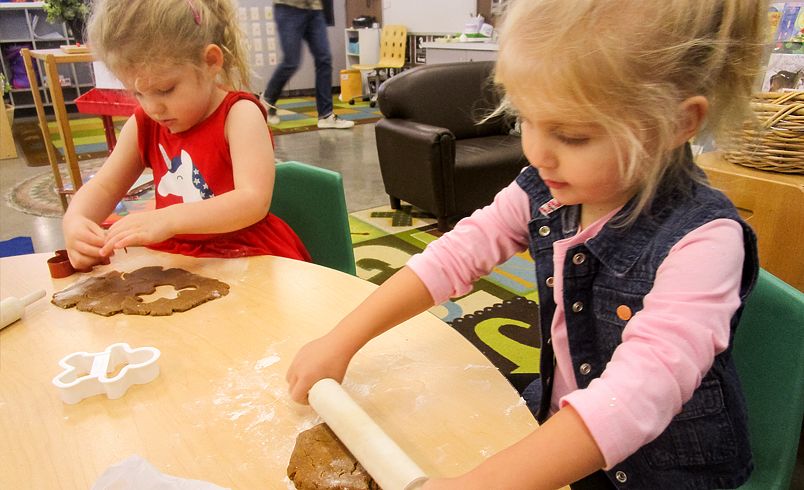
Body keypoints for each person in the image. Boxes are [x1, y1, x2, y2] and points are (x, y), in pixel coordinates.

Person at [286, 0, 765, 488]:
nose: (536, 152)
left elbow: (639, 394)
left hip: (661, 470)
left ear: (678, 124)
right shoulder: (546, 189)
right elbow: (455, 254)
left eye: (571, 136)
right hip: (562, 416)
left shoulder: (705, 241)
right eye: (525, 120)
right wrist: (342, 339)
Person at [62, 0, 311, 270]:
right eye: (138, 93)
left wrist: (169, 219)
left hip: (246, 253)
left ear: (210, 61)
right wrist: (75, 221)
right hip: (179, 257)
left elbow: (253, 200)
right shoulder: (145, 124)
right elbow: (105, 186)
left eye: (165, 90)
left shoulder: (239, 115)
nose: (153, 108)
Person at [262, 0, 354, 130]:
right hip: (289, 8)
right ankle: (268, 100)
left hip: (315, 9)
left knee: (324, 59)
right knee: (291, 62)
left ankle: (326, 116)